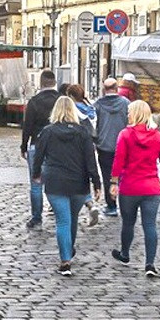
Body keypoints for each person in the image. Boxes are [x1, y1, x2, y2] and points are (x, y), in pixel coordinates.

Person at [29, 96, 101, 275]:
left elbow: (39, 155)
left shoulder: (47, 132)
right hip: (79, 182)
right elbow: (90, 160)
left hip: (55, 181)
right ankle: (68, 249)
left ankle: (65, 259)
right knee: (72, 219)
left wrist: (36, 174)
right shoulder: (83, 132)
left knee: (63, 220)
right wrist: (97, 183)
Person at [110, 101, 160, 277]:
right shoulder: (158, 137)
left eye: (129, 112)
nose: (127, 115)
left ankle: (125, 254)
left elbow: (119, 159)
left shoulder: (125, 135)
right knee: (150, 225)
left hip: (130, 187)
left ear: (135, 114)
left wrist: (114, 182)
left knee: (128, 223)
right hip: (151, 188)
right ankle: (150, 263)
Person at [21, 70, 61, 231]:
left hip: (37, 144)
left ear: (41, 82)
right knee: (56, 181)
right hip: (57, 145)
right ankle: (60, 213)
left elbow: (27, 125)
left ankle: (37, 218)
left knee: (36, 183)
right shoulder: (61, 100)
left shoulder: (34, 101)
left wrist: (23, 145)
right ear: (54, 82)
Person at [93, 78, 129, 218]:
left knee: (108, 176)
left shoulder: (97, 105)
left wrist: (96, 140)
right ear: (116, 88)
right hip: (123, 146)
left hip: (104, 146)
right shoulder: (126, 104)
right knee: (124, 176)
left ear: (104, 89)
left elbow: (94, 126)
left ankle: (111, 206)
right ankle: (125, 205)